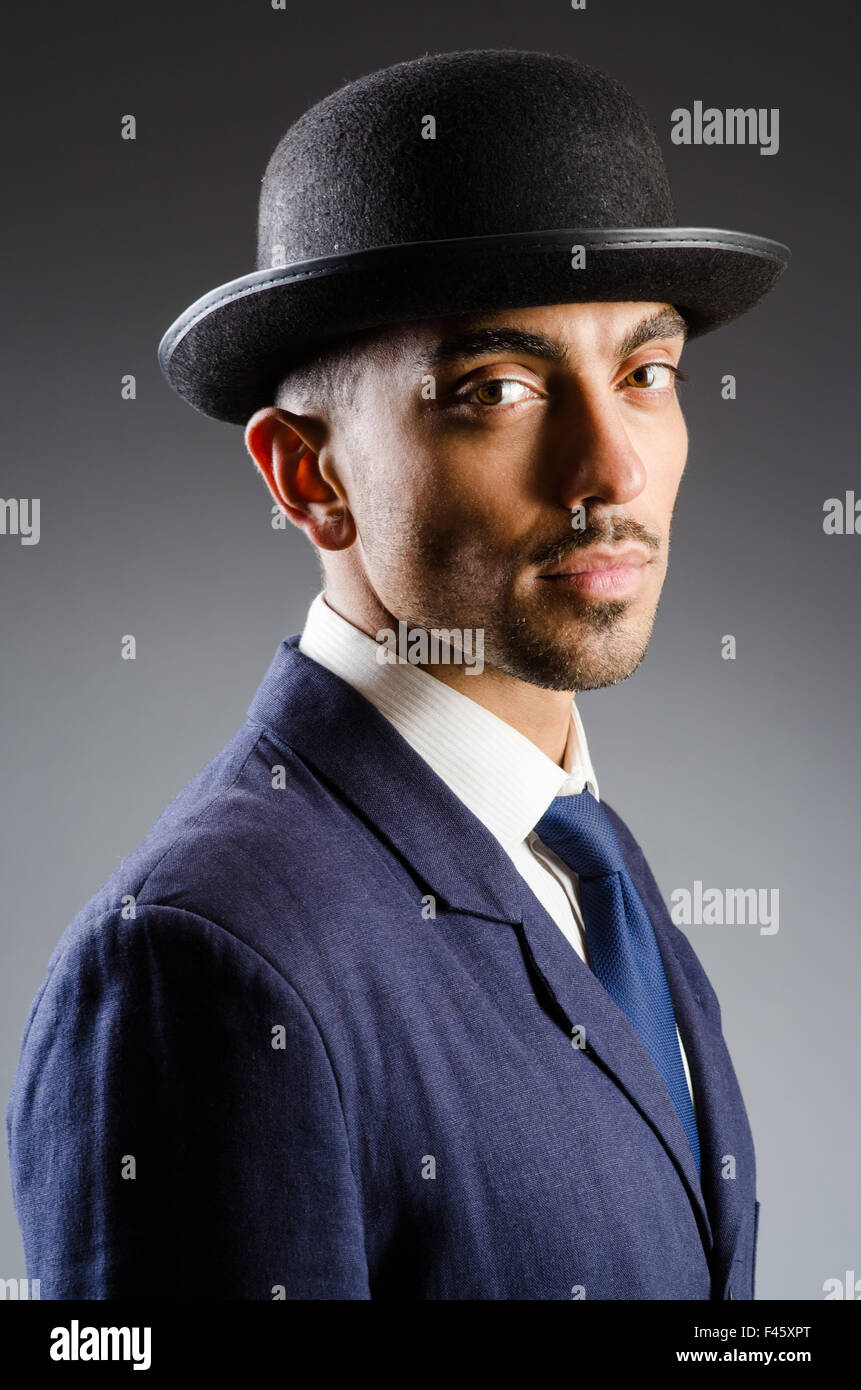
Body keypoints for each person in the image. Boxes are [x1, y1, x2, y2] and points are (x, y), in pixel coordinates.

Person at [7, 48, 789, 1300]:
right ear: (307, 476)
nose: (615, 469)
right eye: (501, 388)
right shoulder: (200, 961)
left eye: (646, 375)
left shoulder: (589, 856)